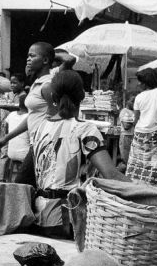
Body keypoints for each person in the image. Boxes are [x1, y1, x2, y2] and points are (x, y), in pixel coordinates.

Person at [30, 69, 126, 238]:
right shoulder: (84, 129)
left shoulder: (41, 127)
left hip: (39, 213)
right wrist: (143, 188)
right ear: (82, 96)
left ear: (53, 97)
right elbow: (110, 174)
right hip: (67, 217)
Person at [0, 42, 55, 153]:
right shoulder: (36, 84)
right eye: (28, 56)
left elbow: (56, 117)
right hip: (35, 143)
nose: (28, 59)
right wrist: (6, 138)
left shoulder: (48, 85)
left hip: (45, 144)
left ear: (45, 60)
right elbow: (32, 117)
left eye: (32, 56)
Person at [125, 68, 157, 186]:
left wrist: (136, 124)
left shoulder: (139, 97)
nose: (138, 83)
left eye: (140, 81)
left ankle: (135, 186)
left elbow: (136, 120)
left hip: (139, 133)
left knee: (137, 162)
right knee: (154, 162)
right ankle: (152, 187)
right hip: (154, 133)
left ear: (145, 82)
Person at [2, 94, 29, 181]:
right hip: (25, 156)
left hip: (11, 153)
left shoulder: (11, 115)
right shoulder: (29, 117)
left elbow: (6, 131)